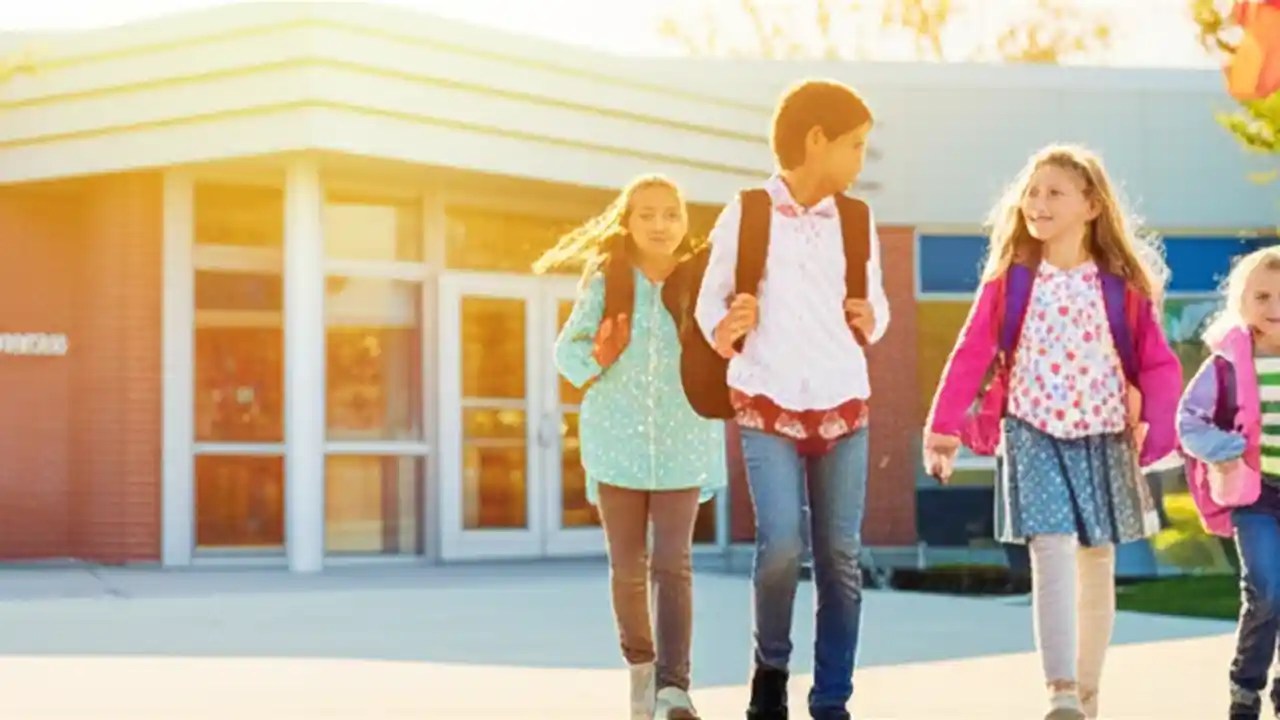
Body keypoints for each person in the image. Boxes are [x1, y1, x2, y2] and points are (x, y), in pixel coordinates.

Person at [923, 144, 1182, 720]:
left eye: (1054, 193)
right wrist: (944, 427)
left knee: (1096, 559)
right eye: (1032, 191)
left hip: (1104, 432)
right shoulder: (1012, 279)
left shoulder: (1122, 284)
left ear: (1091, 206)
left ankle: (1087, 695)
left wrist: (1157, 430)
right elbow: (972, 351)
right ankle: (1060, 690)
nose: (1037, 203)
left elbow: (1157, 361)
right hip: (1032, 427)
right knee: (1051, 547)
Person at [694, 78, 889, 720]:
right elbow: (709, 302)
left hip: (842, 397)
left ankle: (832, 696)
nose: (861, 159)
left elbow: (878, 306)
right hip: (767, 393)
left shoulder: (857, 220)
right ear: (816, 140)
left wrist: (872, 316)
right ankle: (770, 672)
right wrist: (725, 325)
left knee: (840, 555)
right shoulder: (747, 212)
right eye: (855, 145)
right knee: (779, 543)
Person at [537, 173, 727, 720]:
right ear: (629, 221)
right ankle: (642, 671)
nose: (660, 224)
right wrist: (599, 353)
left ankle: (675, 687)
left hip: (683, 438)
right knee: (627, 566)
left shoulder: (701, 280)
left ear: (685, 221)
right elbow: (567, 357)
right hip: (617, 441)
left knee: (673, 562)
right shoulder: (605, 280)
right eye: (647, 214)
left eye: (671, 213)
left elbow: (726, 351)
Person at [1178, 246, 1280, 720]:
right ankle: (1246, 685)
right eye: (1262, 296)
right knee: (1265, 587)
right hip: (1257, 495)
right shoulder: (1226, 365)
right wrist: (1226, 449)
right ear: (1242, 302)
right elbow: (1189, 420)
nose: (1274, 308)